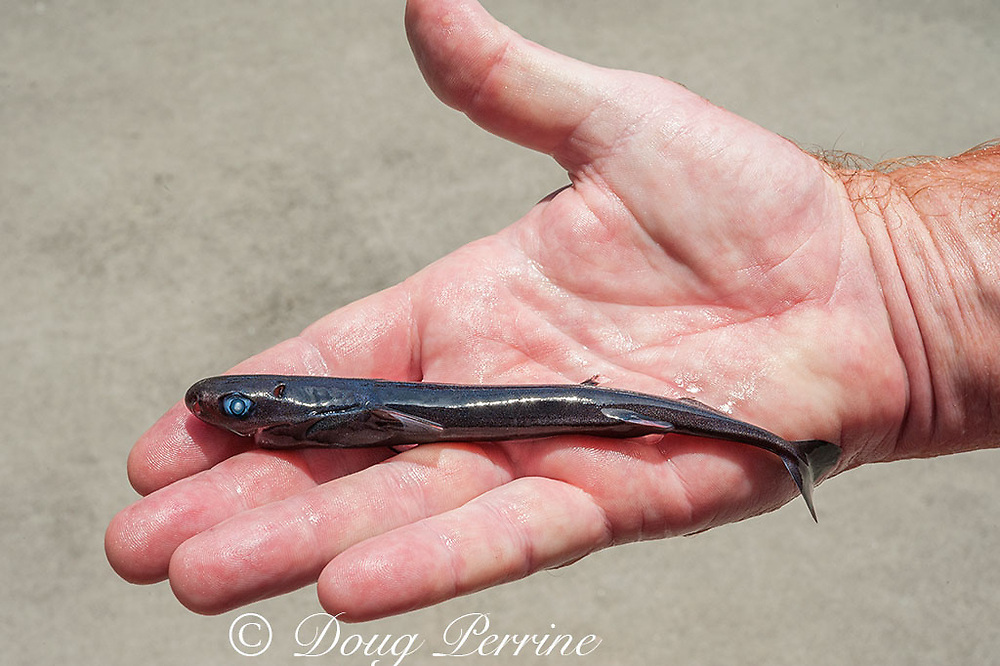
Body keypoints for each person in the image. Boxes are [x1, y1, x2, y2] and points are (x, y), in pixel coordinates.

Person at [105, 0, 1000, 621]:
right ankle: (782, 451)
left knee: (618, 415)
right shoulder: (309, 417)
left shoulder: (334, 415)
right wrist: (912, 284)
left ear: (285, 407)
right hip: (554, 402)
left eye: (236, 406)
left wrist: (903, 279)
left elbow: (376, 416)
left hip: (575, 404)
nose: (229, 413)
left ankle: (785, 452)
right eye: (233, 407)